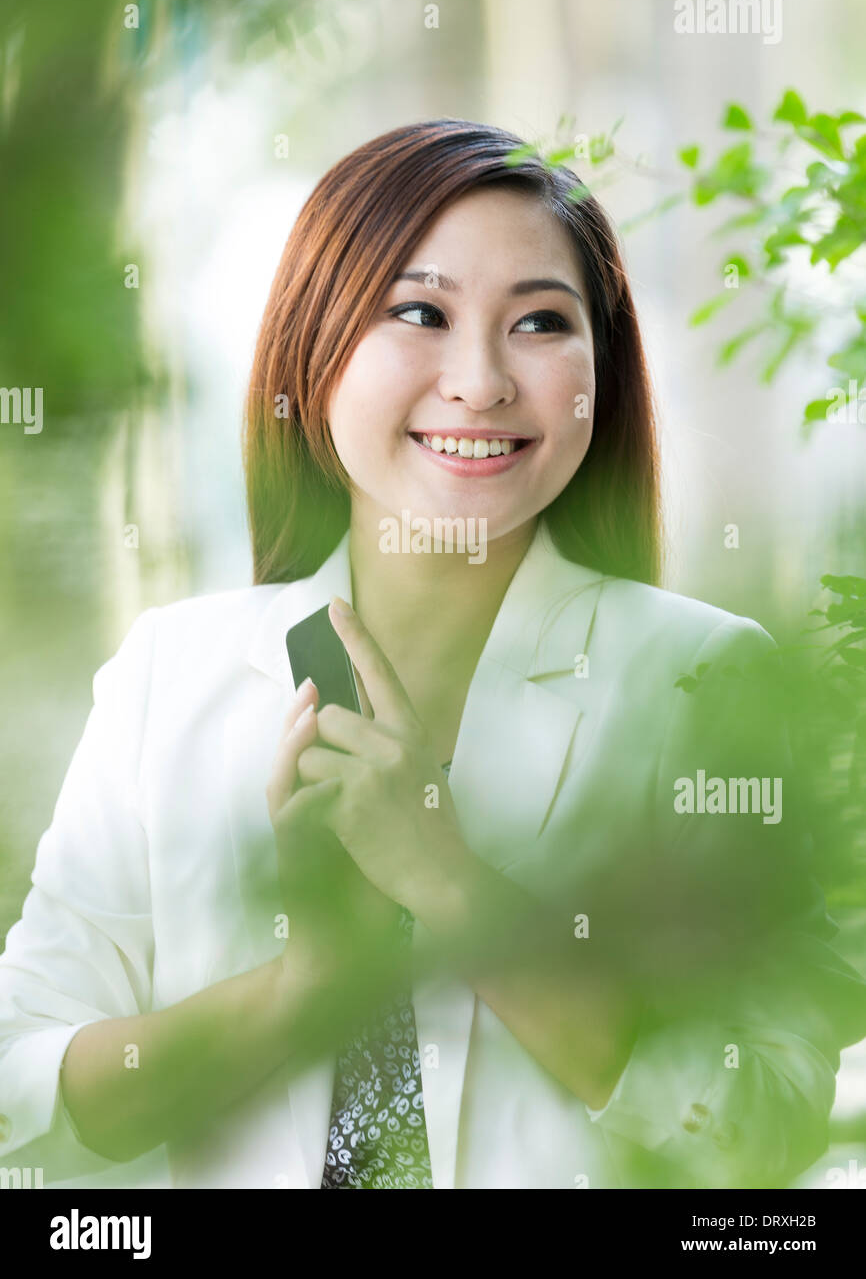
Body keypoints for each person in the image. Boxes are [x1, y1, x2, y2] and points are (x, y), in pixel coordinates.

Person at [1, 118, 864, 1189]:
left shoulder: (703, 679)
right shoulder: (167, 677)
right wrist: (304, 984)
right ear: (313, 347)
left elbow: (759, 1125)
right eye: (419, 311)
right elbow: (25, 1097)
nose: (481, 381)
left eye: (539, 323)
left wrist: (451, 887)